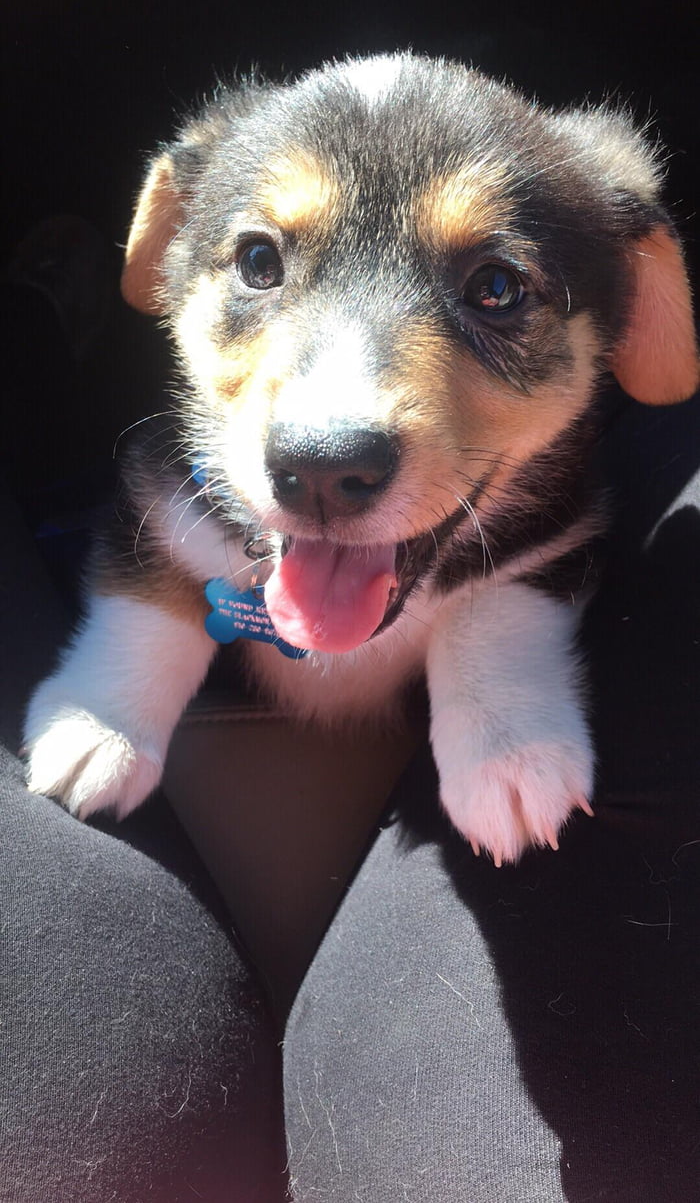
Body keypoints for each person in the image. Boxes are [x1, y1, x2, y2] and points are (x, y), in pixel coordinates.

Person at [2, 237, 699, 1203]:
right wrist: (129, 679)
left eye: (495, 290)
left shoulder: (535, 507)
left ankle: (34, 317)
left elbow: (559, 547)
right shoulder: (190, 483)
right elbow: (150, 539)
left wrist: (488, 671)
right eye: (260, 261)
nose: (334, 422)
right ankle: (39, 320)